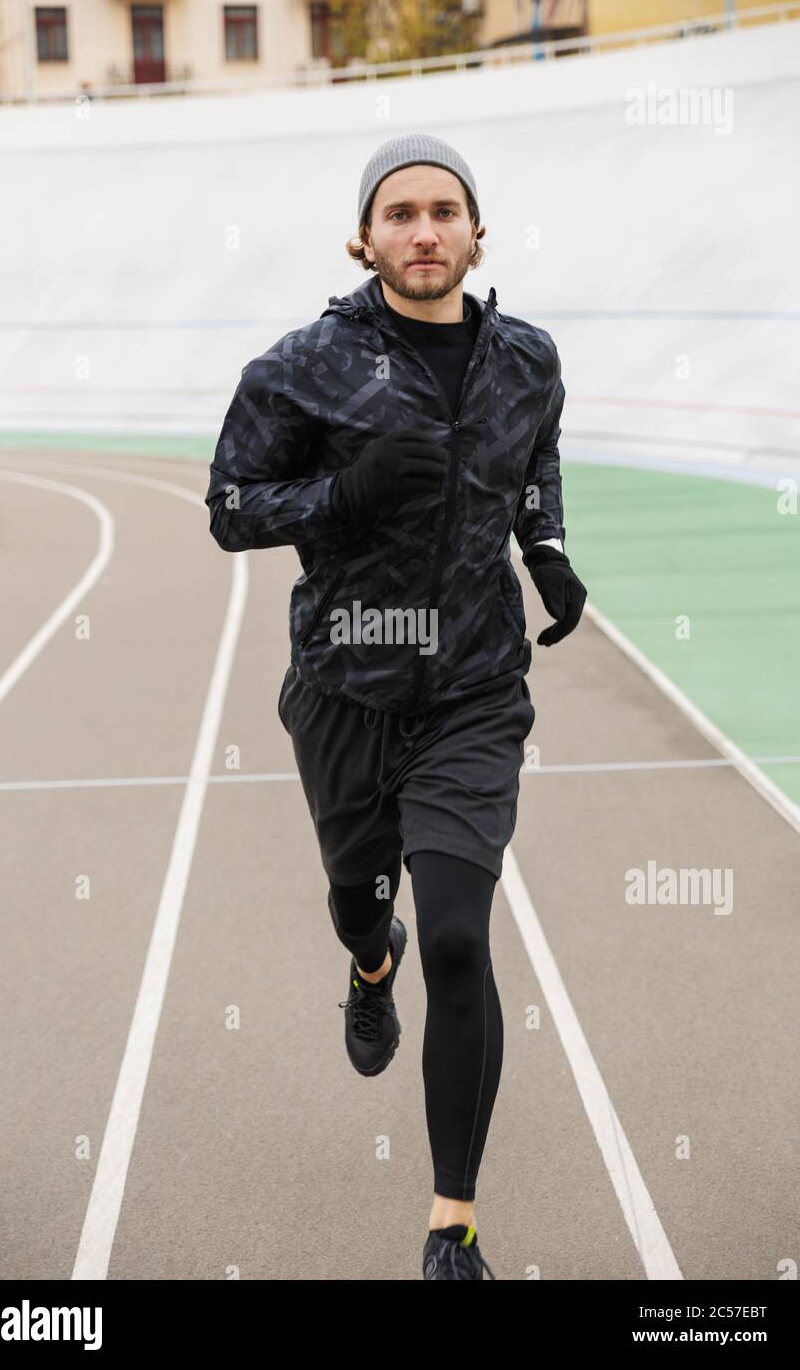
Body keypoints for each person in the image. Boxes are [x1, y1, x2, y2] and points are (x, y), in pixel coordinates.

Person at [206, 132, 587, 1281]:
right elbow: (230, 506)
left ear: (477, 233)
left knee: (463, 942)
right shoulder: (304, 366)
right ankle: (371, 964)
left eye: (443, 211)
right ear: (364, 237)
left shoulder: (526, 358)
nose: (423, 231)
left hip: (473, 693)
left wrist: (547, 548)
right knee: (359, 899)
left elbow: (533, 463)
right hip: (345, 690)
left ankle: (449, 1224)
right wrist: (343, 491)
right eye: (400, 213)